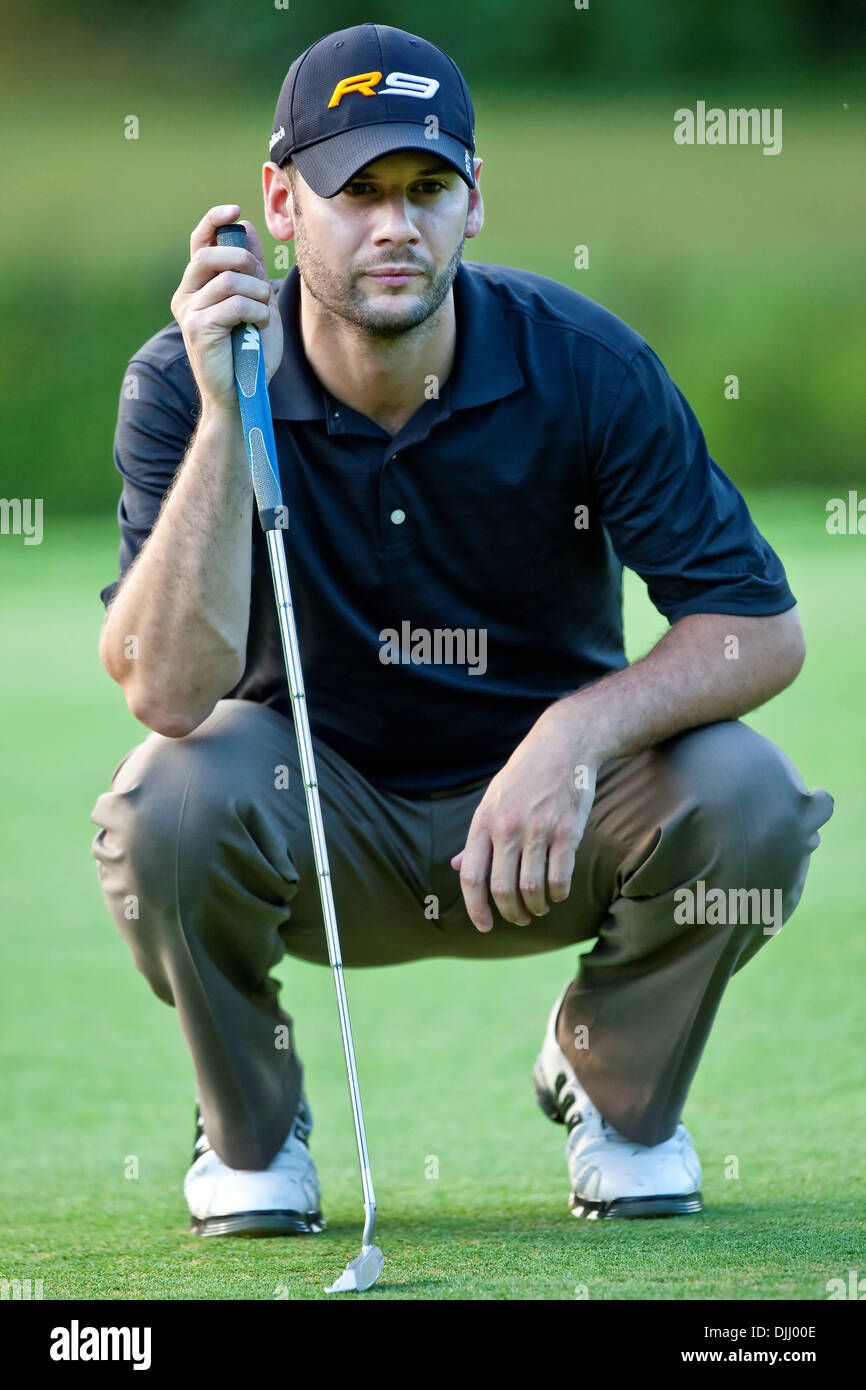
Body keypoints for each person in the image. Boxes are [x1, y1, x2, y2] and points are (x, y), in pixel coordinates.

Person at [90, 21, 834, 1235]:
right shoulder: (179, 384)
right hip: (310, 825)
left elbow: (757, 630)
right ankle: (252, 1134)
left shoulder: (584, 365)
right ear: (281, 203)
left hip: (548, 825)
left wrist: (575, 734)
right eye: (356, 192)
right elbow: (169, 695)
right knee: (163, 799)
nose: (396, 225)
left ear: (474, 202)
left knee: (746, 794)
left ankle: (611, 1084)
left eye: (427, 188)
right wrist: (231, 419)